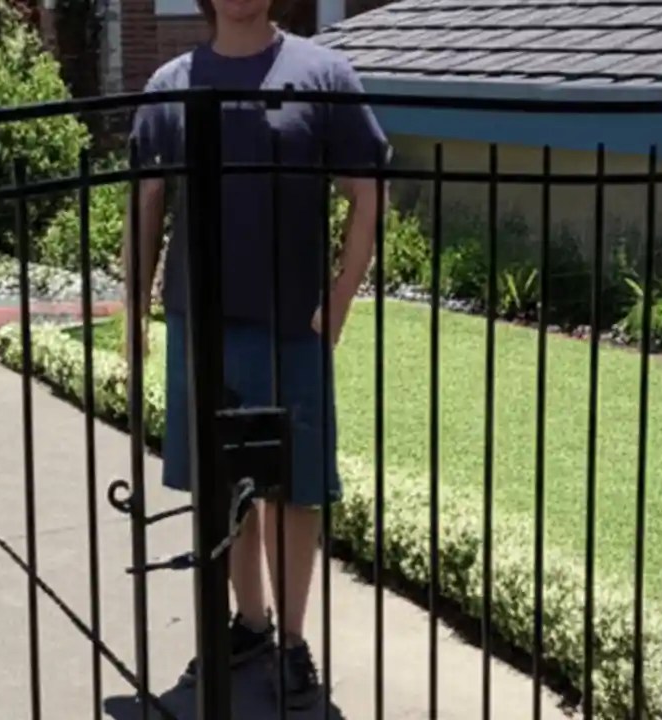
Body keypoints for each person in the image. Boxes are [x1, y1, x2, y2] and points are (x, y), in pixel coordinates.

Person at [121, 0, 387, 708]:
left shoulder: (324, 74)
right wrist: (134, 309)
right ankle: (249, 623)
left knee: (295, 489)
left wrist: (340, 298)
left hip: (293, 326)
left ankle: (292, 642)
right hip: (201, 324)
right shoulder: (172, 85)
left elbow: (367, 191)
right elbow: (146, 201)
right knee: (224, 487)